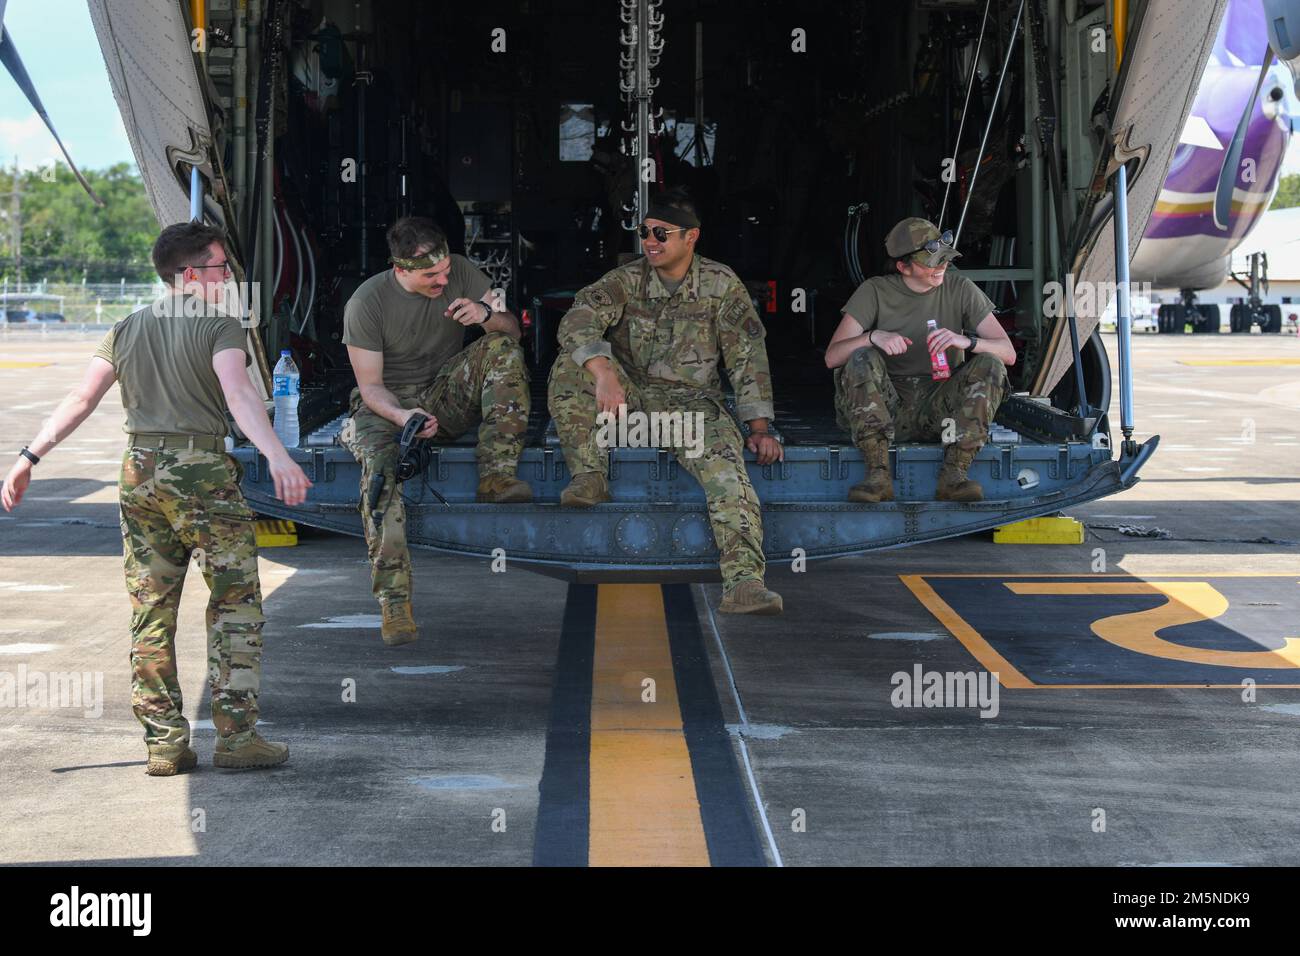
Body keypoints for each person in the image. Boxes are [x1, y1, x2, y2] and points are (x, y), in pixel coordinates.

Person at [1, 222, 311, 775]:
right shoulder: (220, 325)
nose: (227, 278)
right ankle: (237, 739)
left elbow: (82, 397)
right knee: (234, 603)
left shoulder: (126, 327)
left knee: (151, 609)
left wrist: (30, 457)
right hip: (199, 472)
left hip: (138, 472)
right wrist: (279, 456)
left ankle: (165, 742)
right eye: (220, 268)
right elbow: (238, 395)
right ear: (190, 274)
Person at [548, 188, 785, 615]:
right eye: (644, 233)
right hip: (627, 407)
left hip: (691, 409)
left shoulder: (720, 283)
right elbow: (579, 318)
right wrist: (604, 373)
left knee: (727, 476)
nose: (650, 242)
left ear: (691, 237)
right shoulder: (626, 280)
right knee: (571, 365)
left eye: (661, 233)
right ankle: (589, 474)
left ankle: (744, 583)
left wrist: (759, 428)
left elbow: (747, 355)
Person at [341, 216, 531, 646]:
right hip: (387, 404)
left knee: (500, 349)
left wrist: (486, 314)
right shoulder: (366, 303)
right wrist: (404, 417)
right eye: (432, 275)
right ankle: (394, 601)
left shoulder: (460, 271)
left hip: (443, 391)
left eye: (445, 271)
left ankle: (497, 475)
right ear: (401, 269)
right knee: (381, 476)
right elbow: (370, 387)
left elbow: (513, 333)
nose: (443, 280)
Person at [824, 217, 1015, 502]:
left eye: (944, 260)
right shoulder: (875, 291)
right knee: (860, 356)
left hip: (940, 408)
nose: (941, 267)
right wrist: (873, 336)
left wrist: (968, 341)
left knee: (990, 363)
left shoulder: (959, 288)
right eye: (931, 262)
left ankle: (954, 474)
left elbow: (1008, 353)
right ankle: (877, 474)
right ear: (903, 266)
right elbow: (832, 357)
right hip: (886, 408)